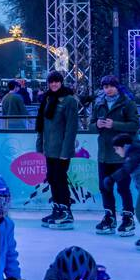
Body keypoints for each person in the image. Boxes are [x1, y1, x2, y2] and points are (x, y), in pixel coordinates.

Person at [89, 75, 140, 236]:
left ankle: (128, 217)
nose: (108, 89)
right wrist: (96, 124)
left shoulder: (127, 103)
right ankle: (109, 217)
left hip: (121, 154)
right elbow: (91, 125)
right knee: (105, 187)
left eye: (111, 86)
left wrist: (114, 124)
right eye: (105, 87)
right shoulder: (99, 104)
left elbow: (135, 125)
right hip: (104, 153)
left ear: (117, 87)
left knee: (123, 187)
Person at [35, 70, 79, 229]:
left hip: (61, 150)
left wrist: (65, 152)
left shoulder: (68, 101)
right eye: (51, 82)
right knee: (52, 178)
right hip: (49, 149)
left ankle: (66, 211)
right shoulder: (47, 99)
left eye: (57, 81)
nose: (54, 84)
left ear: (61, 83)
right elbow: (41, 126)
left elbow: (71, 128)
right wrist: (40, 147)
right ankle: (57, 209)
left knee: (60, 179)